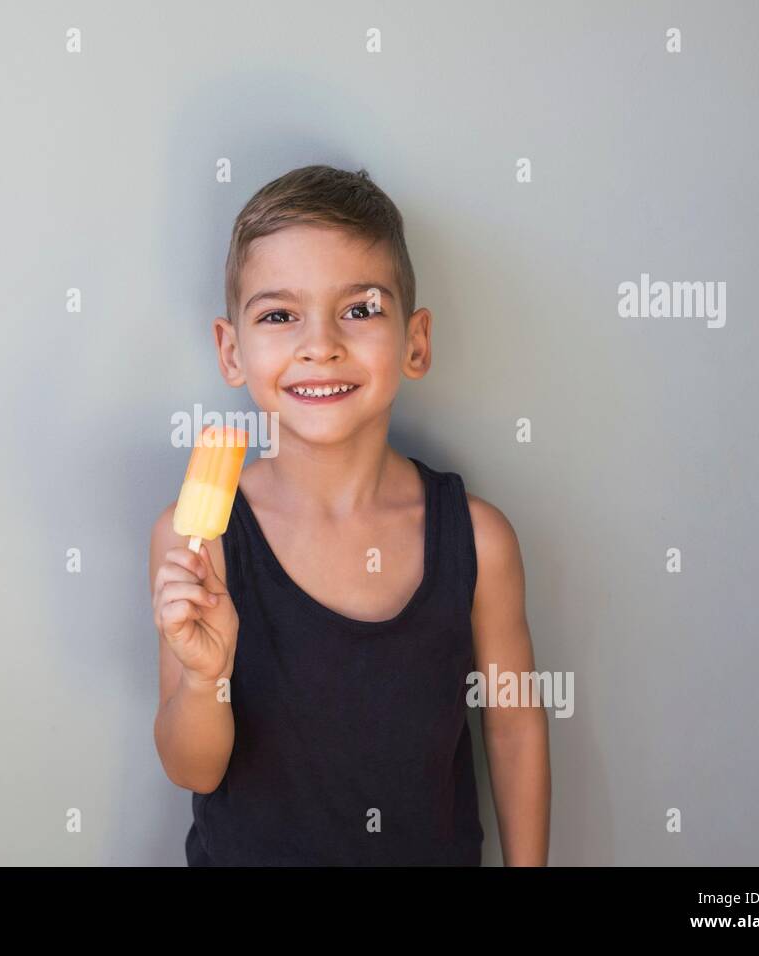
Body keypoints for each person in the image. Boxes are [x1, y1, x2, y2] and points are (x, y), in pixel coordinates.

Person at [149, 165, 550, 866]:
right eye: (279, 315)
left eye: (360, 309)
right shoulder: (197, 540)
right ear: (230, 351)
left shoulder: (479, 541)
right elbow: (194, 770)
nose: (320, 344)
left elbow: (513, 730)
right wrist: (203, 675)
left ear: (415, 341)